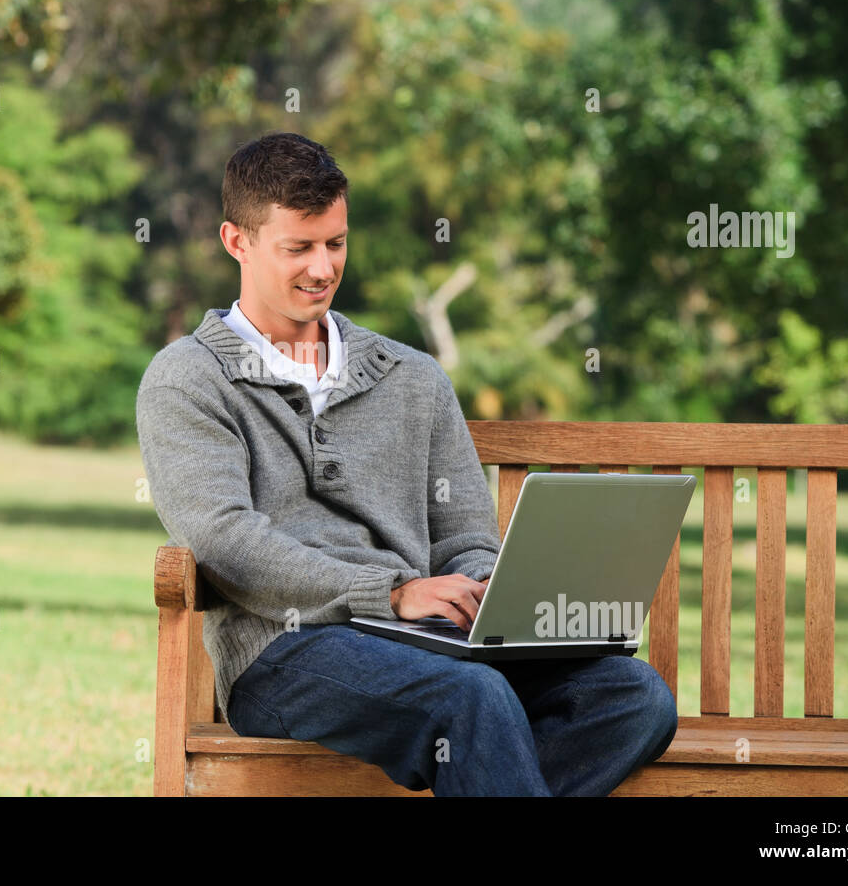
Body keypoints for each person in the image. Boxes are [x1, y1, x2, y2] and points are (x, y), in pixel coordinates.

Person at [135, 131, 678, 795]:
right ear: (236, 242)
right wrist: (390, 593)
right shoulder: (189, 378)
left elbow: (464, 538)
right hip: (284, 651)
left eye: (335, 243)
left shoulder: (411, 378)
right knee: (470, 698)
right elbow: (223, 541)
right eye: (298, 247)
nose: (322, 267)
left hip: (428, 643)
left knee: (631, 698)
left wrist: (491, 600)